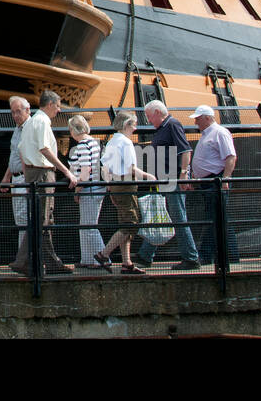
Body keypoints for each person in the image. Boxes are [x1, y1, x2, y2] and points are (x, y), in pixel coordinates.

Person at [8, 91, 77, 276]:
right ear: (50, 104)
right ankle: (24, 261)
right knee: (41, 220)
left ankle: (48, 262)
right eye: (58, 105)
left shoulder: (31, 123)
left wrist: (27, 173)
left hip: (32, 172)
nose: (59, 109)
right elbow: (44, 148)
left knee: (43, 219)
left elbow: (22, 149)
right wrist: (66, 171)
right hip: (42, 173)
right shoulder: (42, 121)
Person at [135, 100, 201, 270]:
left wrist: (183, 174)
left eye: (150, 116)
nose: (149, 120)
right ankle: (145, 255)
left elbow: (185, 150)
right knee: (162, 216)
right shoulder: (163, 128)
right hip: (165, 180)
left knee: (177, 218)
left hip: (172, 180)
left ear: (157, 112)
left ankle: (191, 258)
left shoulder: (172, 124)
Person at [94, 111, 156, 274]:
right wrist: (148, 176)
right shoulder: (126, 143)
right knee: (131, 223)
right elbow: (131, 169)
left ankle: (126, 262)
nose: (135, 128)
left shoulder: (112, 142)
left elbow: (105, 167)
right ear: (126, 125)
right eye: (133, 125)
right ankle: (104, 254)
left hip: (115, 184)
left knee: (125, 223)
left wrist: (110, 187)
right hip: (126, 184)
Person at [189, 105, 238, 263]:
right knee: (219, 218)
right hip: (208, 182)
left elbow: (230, 157)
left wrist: (225, 179)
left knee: (215, 218)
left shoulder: (220, 133)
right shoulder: (207, 134)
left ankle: (206, 255)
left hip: (215, 181)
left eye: (198, 118)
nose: (196, 121)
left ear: (208, 118)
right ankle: (229, 256)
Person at [67, 115, 104, 268]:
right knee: (87, 225)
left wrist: (77, 187)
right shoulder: (94, 142)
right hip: (96, 187)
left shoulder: (82, 145)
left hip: (89, 189)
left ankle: (101, 258)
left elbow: (85, 170)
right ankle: (88, 259)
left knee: (89, 226)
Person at [0, 96, 32, 248]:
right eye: (13, 112)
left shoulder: (30, 128)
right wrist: (6, 177)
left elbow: (27, 155)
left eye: (18, 112)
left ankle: (26, 258)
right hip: (16, 178)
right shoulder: (17, 129)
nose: (15, 116)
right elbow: (14, 155)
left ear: (27, 110)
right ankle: (23, 257)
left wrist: (27, 180)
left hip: (25, 178)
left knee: (26, 219)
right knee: (20, 219)